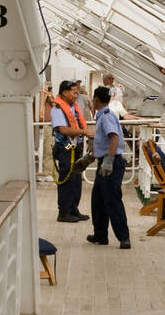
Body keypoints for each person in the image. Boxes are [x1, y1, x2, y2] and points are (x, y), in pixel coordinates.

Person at [87, 85, 131, 249]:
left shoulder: (106, 116)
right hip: (104, 160)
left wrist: (108, 161)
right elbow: (104, 140)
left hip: (111, 163)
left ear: (96, 100)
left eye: (93, 100)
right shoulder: (102, 115)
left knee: (112, 200)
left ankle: (123, 237)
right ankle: (100, 234)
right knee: (98, 200)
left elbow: (113, 138)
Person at [50, 80, 92, 222]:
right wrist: (84, 132)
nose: (76, 95)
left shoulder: (73, 107)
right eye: (74, 92)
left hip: (76, 147)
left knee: (76, 180)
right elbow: (63, 129)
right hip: (66, 148)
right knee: (67, 179)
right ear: (64, 92)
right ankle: (64, 212)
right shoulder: (57, 109)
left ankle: (73, 209)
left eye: (77, 92)